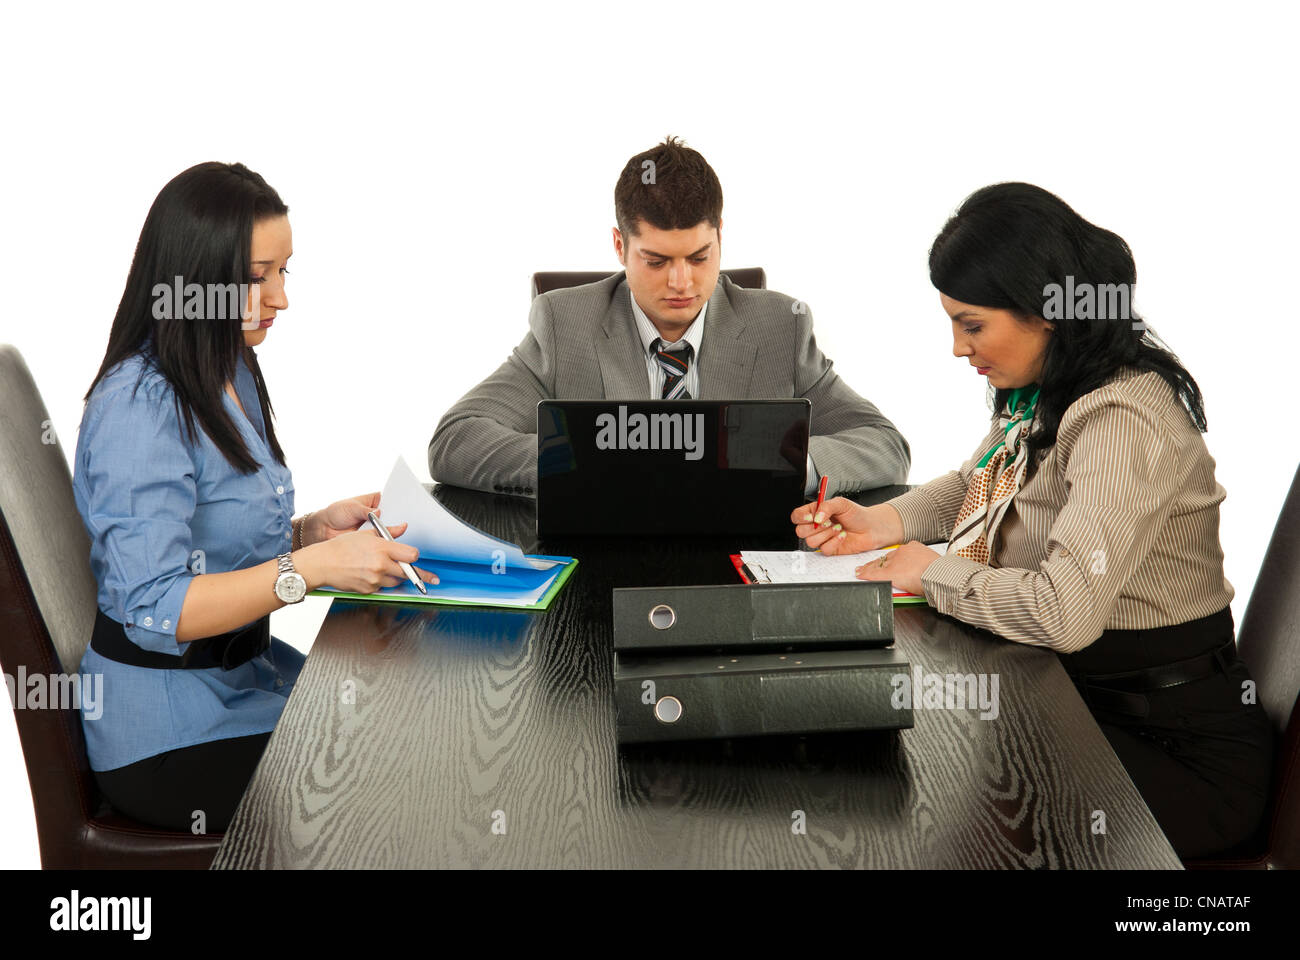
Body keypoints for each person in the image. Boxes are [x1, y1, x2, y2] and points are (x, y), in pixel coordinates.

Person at [792, 182, 1274, 859]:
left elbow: (1063, 613)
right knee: (892, 765)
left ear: (1047, 311)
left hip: (1171, 751)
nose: (959, 348)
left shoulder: (1120, 418)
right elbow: (979, 483)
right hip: (1075, 705)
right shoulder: (1048, 389)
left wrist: (934, 573)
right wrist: (884, 522)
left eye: (973, 324)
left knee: (935, 820)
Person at [75, 162, 437, 832]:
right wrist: (309, 574)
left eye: (283, 272)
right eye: (255, 276)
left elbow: (209, 540)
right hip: (170, 738)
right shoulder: (139, 405)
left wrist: (307, 537)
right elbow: (156, 603)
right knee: (403, 774)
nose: (280, 298)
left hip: (245, 681)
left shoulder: (230, 362)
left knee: (423, 711)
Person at [428, 136, 910, 499]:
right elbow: (456, 440)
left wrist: (788, 464)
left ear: (721, 235)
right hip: (603, 574)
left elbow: (886, 445)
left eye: (699, 257)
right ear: (620, 246)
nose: (681, 283)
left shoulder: (780, 327)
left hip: (740, 566)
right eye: (656, 261)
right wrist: (586, 462)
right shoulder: (564, 323)